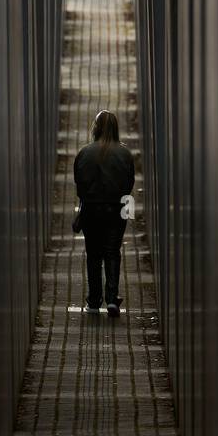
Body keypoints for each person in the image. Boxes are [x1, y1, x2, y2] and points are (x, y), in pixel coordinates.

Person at [73, 109, 135, 317]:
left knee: (93, 254)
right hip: (117, 209)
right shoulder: (125, 154)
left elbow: (79, 186)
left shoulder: (84, 153)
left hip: (91, 209)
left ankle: (93, 300)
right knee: (112, 252)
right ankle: (112, 299)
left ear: (96, 128)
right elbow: (129, 185)